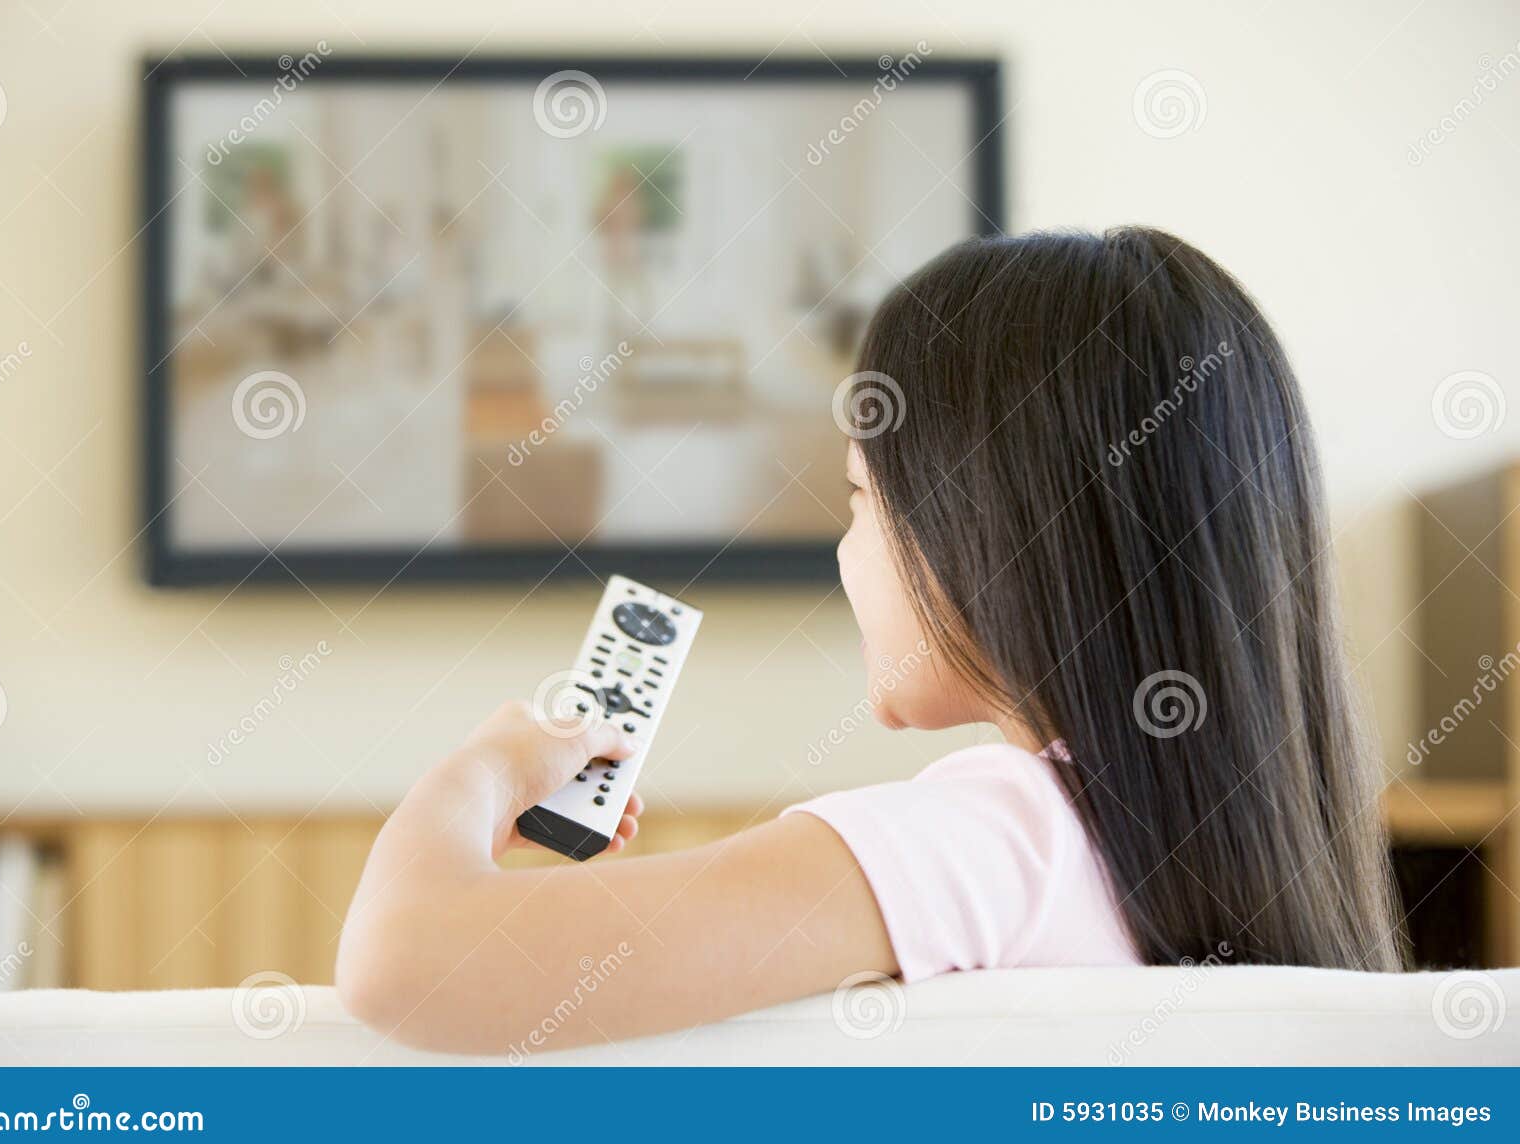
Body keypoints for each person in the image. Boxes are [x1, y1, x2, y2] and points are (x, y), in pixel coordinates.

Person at [336, 227, 1403, 1056]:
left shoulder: (993, 834)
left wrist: (488, 770)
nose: (844, 552)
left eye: (855, 495)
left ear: (980, 530)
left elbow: (407, 963)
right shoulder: (1233, 843)